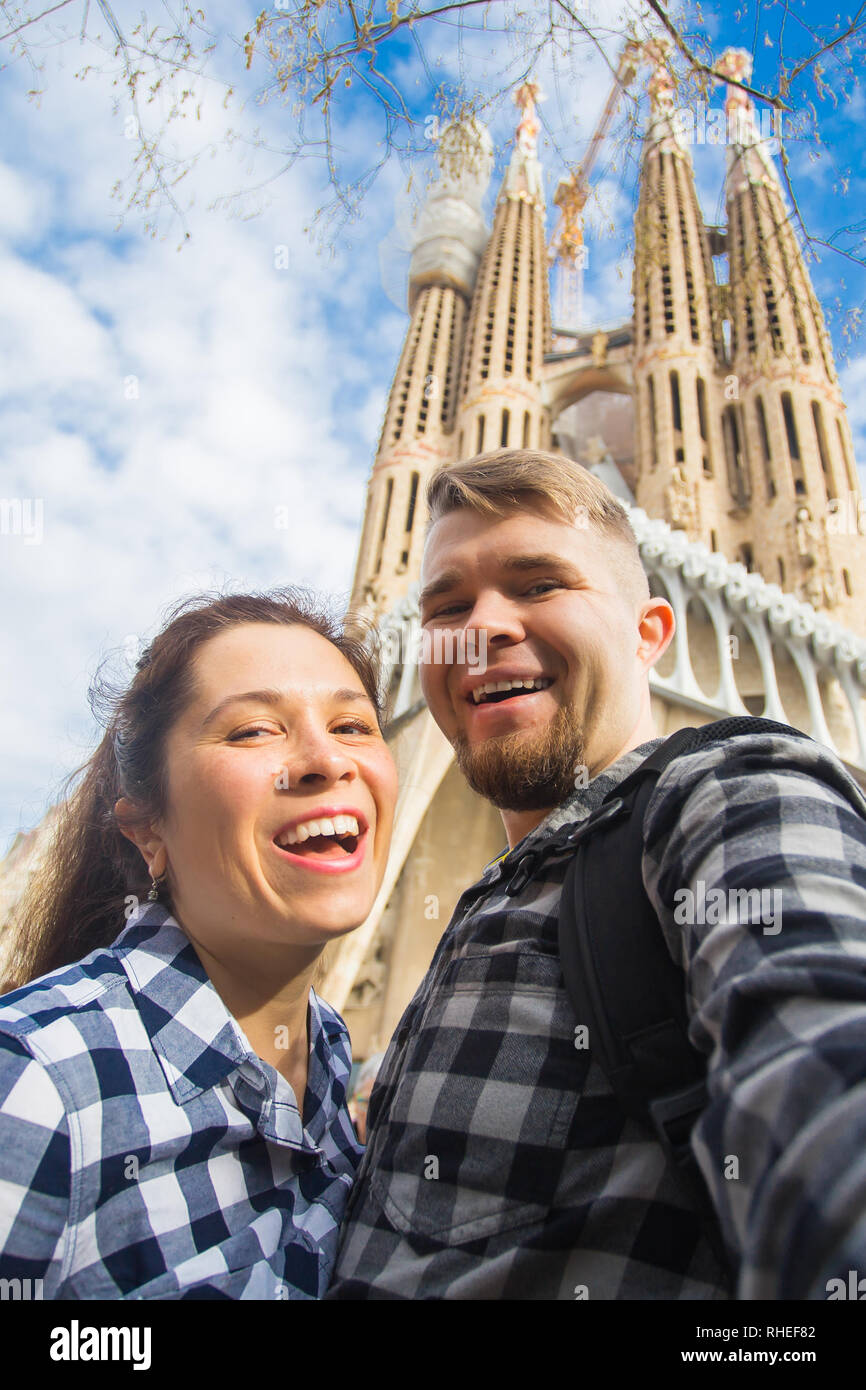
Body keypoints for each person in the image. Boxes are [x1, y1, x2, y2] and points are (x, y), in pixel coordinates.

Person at [328, 448, 866, 1301]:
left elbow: (825, 1063)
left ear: (653, 631)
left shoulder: (729, 794)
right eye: (449, 606)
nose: (485, 627)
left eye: (540, 585)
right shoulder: (496, 898)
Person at [0, 590, 397, 1299]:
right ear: (147, 828)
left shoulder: (330, 1062)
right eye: (251, 731)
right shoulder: (36, 1086)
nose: (324, 759)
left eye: (352, 724)